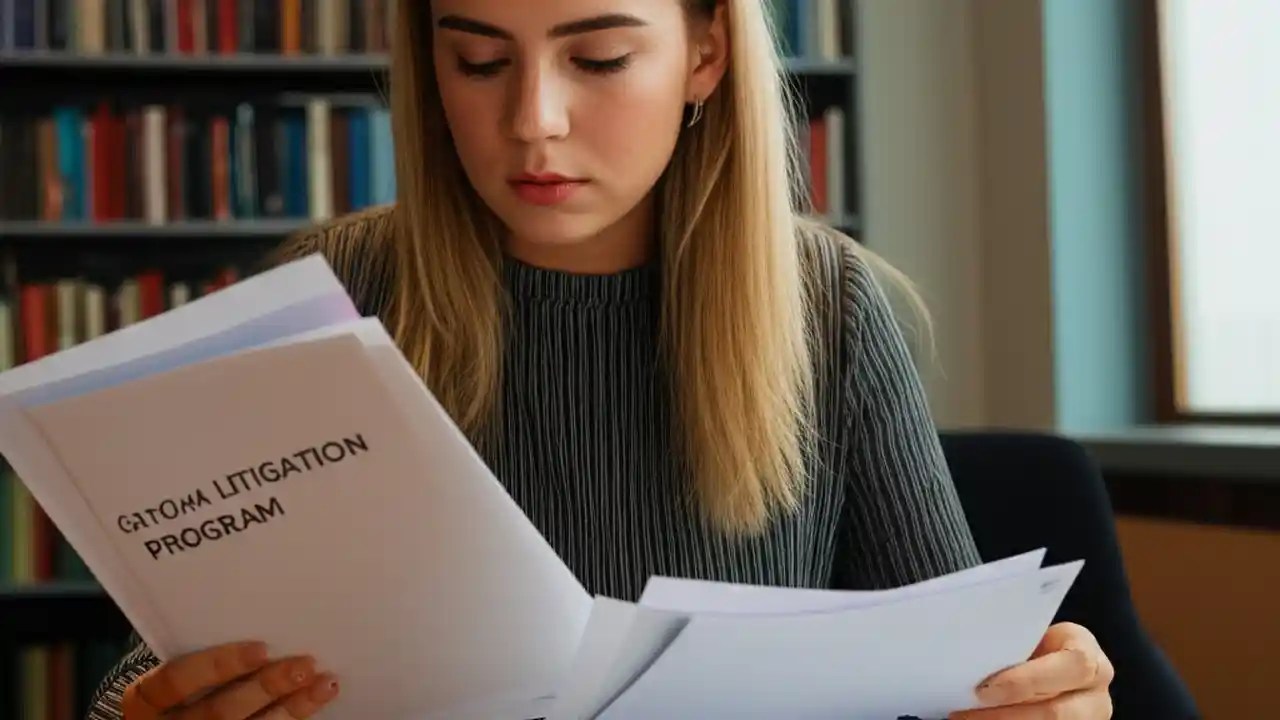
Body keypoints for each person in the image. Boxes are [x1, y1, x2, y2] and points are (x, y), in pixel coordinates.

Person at [88, 1, 1114, 718]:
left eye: (598, 59)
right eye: (478, 61)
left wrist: (1038, 692)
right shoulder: (339, 289)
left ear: (704, 52)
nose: (532, 120)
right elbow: (158, 661)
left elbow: (961, 676)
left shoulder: (827, 306)